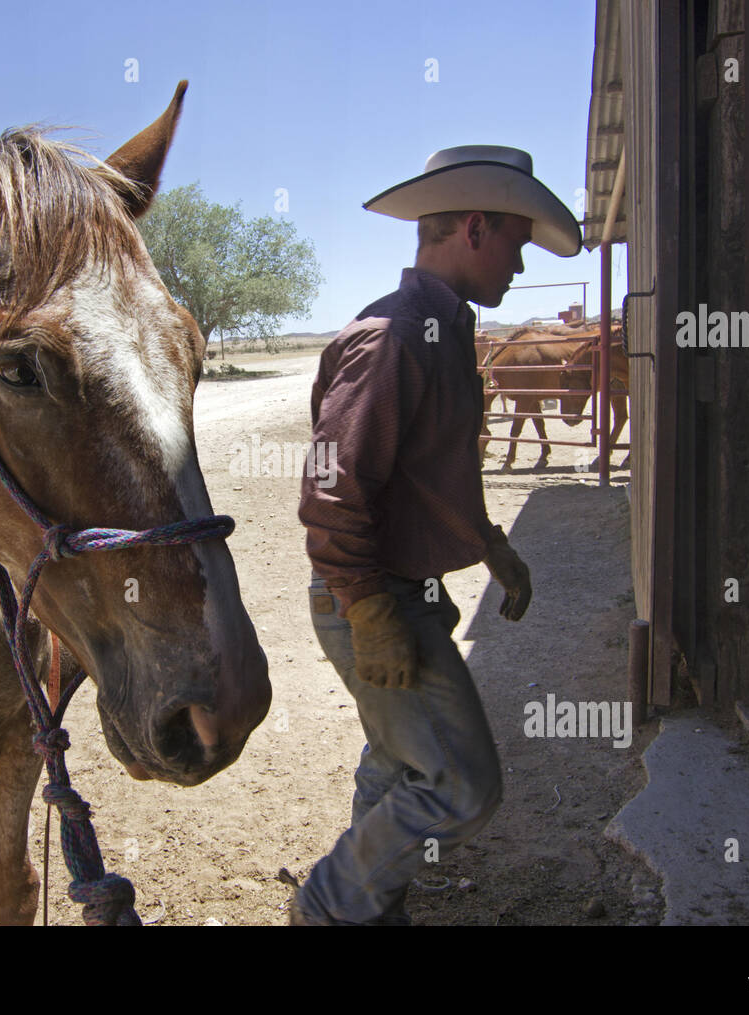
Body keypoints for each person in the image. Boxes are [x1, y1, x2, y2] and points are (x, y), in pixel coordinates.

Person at [292, 145, 582, 925]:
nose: (520, 268)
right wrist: (369, 608)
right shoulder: (394, 336)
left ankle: (367, 908)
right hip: (374, 595)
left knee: (399, 759)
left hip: (393, 590)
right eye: (518, 245)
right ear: (477, 228)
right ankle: (330, 905)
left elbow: (426, 472)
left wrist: (489, 542)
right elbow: (330, 488)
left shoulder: (445, 331)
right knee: (462, 783)